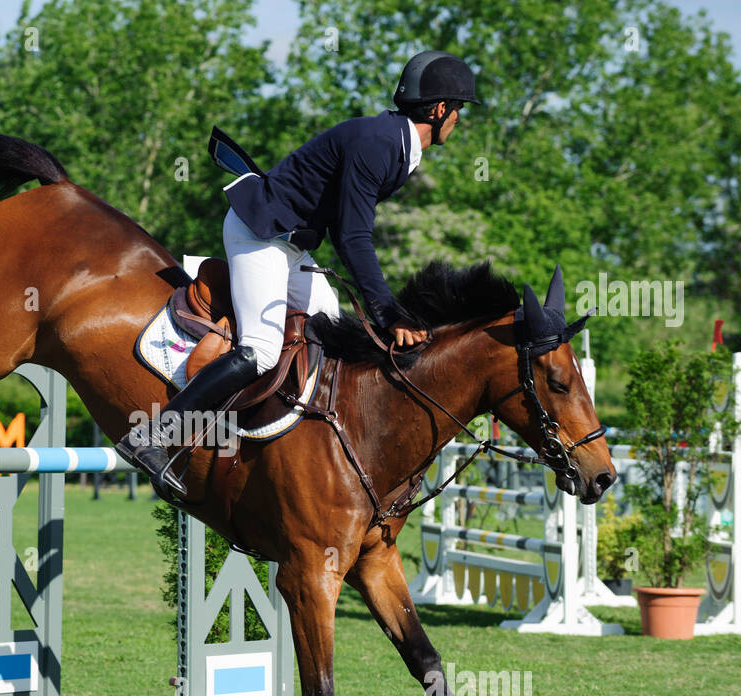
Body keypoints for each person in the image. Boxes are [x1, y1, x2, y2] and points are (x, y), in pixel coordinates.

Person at [117, 50, 480, 496]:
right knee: (262, 351)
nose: (459, 119)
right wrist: (390, 313)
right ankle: (154, 436)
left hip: (290, 244)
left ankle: (301, 444)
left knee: (329, 325)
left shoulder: (397, 145)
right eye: (459, 108)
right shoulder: (381, 143)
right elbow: (352, 237)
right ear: (439, 108)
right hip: (259, 233)